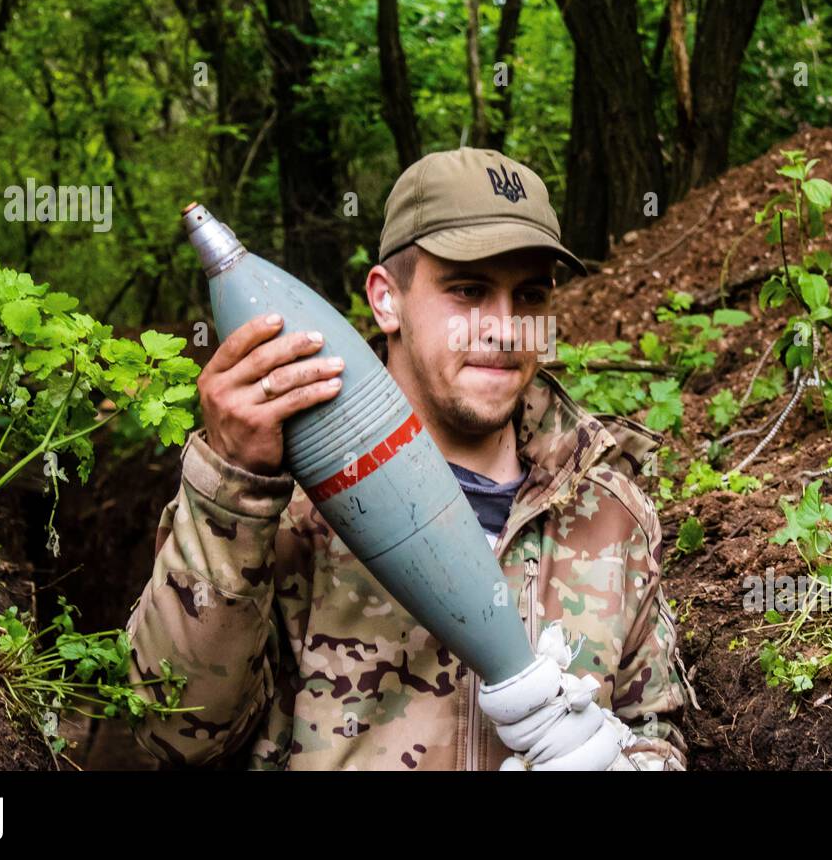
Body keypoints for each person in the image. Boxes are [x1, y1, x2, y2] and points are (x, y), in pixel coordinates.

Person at [124, 147, 697, 770]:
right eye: (469, 290)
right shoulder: (279, 511)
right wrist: (232, 490)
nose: (506, 329)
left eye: (529, 296)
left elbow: (654, 729)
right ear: (385, 299)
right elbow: (171, 737)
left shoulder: (608, 512)